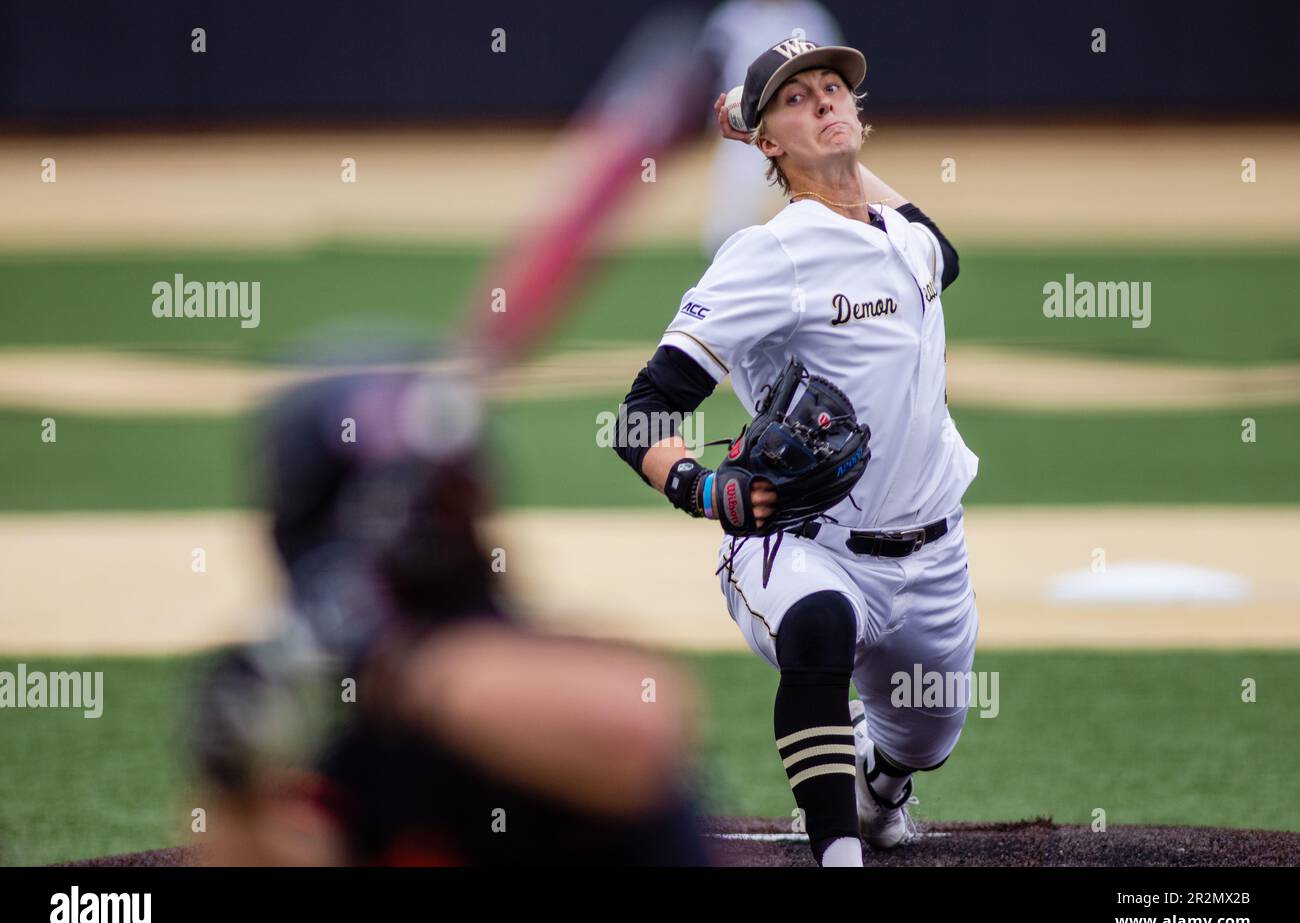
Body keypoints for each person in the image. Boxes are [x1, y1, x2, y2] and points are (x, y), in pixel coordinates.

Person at [611, 38, 979, 867]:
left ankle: (882, 787)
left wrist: (796, 147)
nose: (822, 101)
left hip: (934, 555)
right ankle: (837, 856)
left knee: (926, 739)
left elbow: (939, 253)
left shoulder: (906, 240)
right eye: (795, 98)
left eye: (832, 89)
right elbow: (641, 415)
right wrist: (705, 491)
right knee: (818, 628)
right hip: (802, 545)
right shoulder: (768, 253)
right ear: (768, 141)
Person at [192, 366, 706, 866]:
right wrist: (235, 788)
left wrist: (406, 662)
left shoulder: (526, 683)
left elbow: (639, 732)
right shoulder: (366, 737)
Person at [698, 0, 844, 256]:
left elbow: (831, 72)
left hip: (798, 126)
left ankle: (819, 255)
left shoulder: (810, 17)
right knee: (733, 209)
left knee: (816, 199)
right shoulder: (733, 18)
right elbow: (707, 69)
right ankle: (728, 265)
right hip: (741, 124)